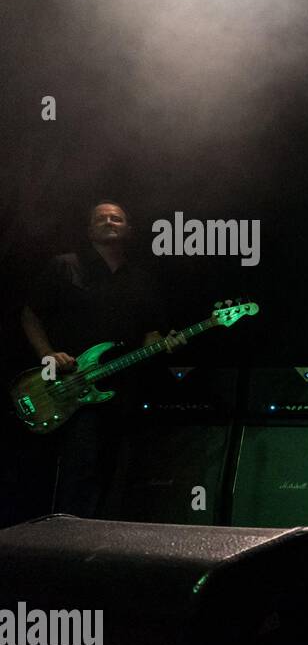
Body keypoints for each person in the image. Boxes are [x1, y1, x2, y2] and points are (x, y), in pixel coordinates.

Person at [19, 200, 185, 517]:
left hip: (123, 389)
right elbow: (30, 314)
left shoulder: (142, 279)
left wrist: (164, 344)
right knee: (78, 469)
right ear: (88, 229)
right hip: (70, 385)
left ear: (129, 229)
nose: (109, 221)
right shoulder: (65, 265)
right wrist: (47, 355)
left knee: (117, 473)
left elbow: (151, 333)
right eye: (101, 218)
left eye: (116, 217)